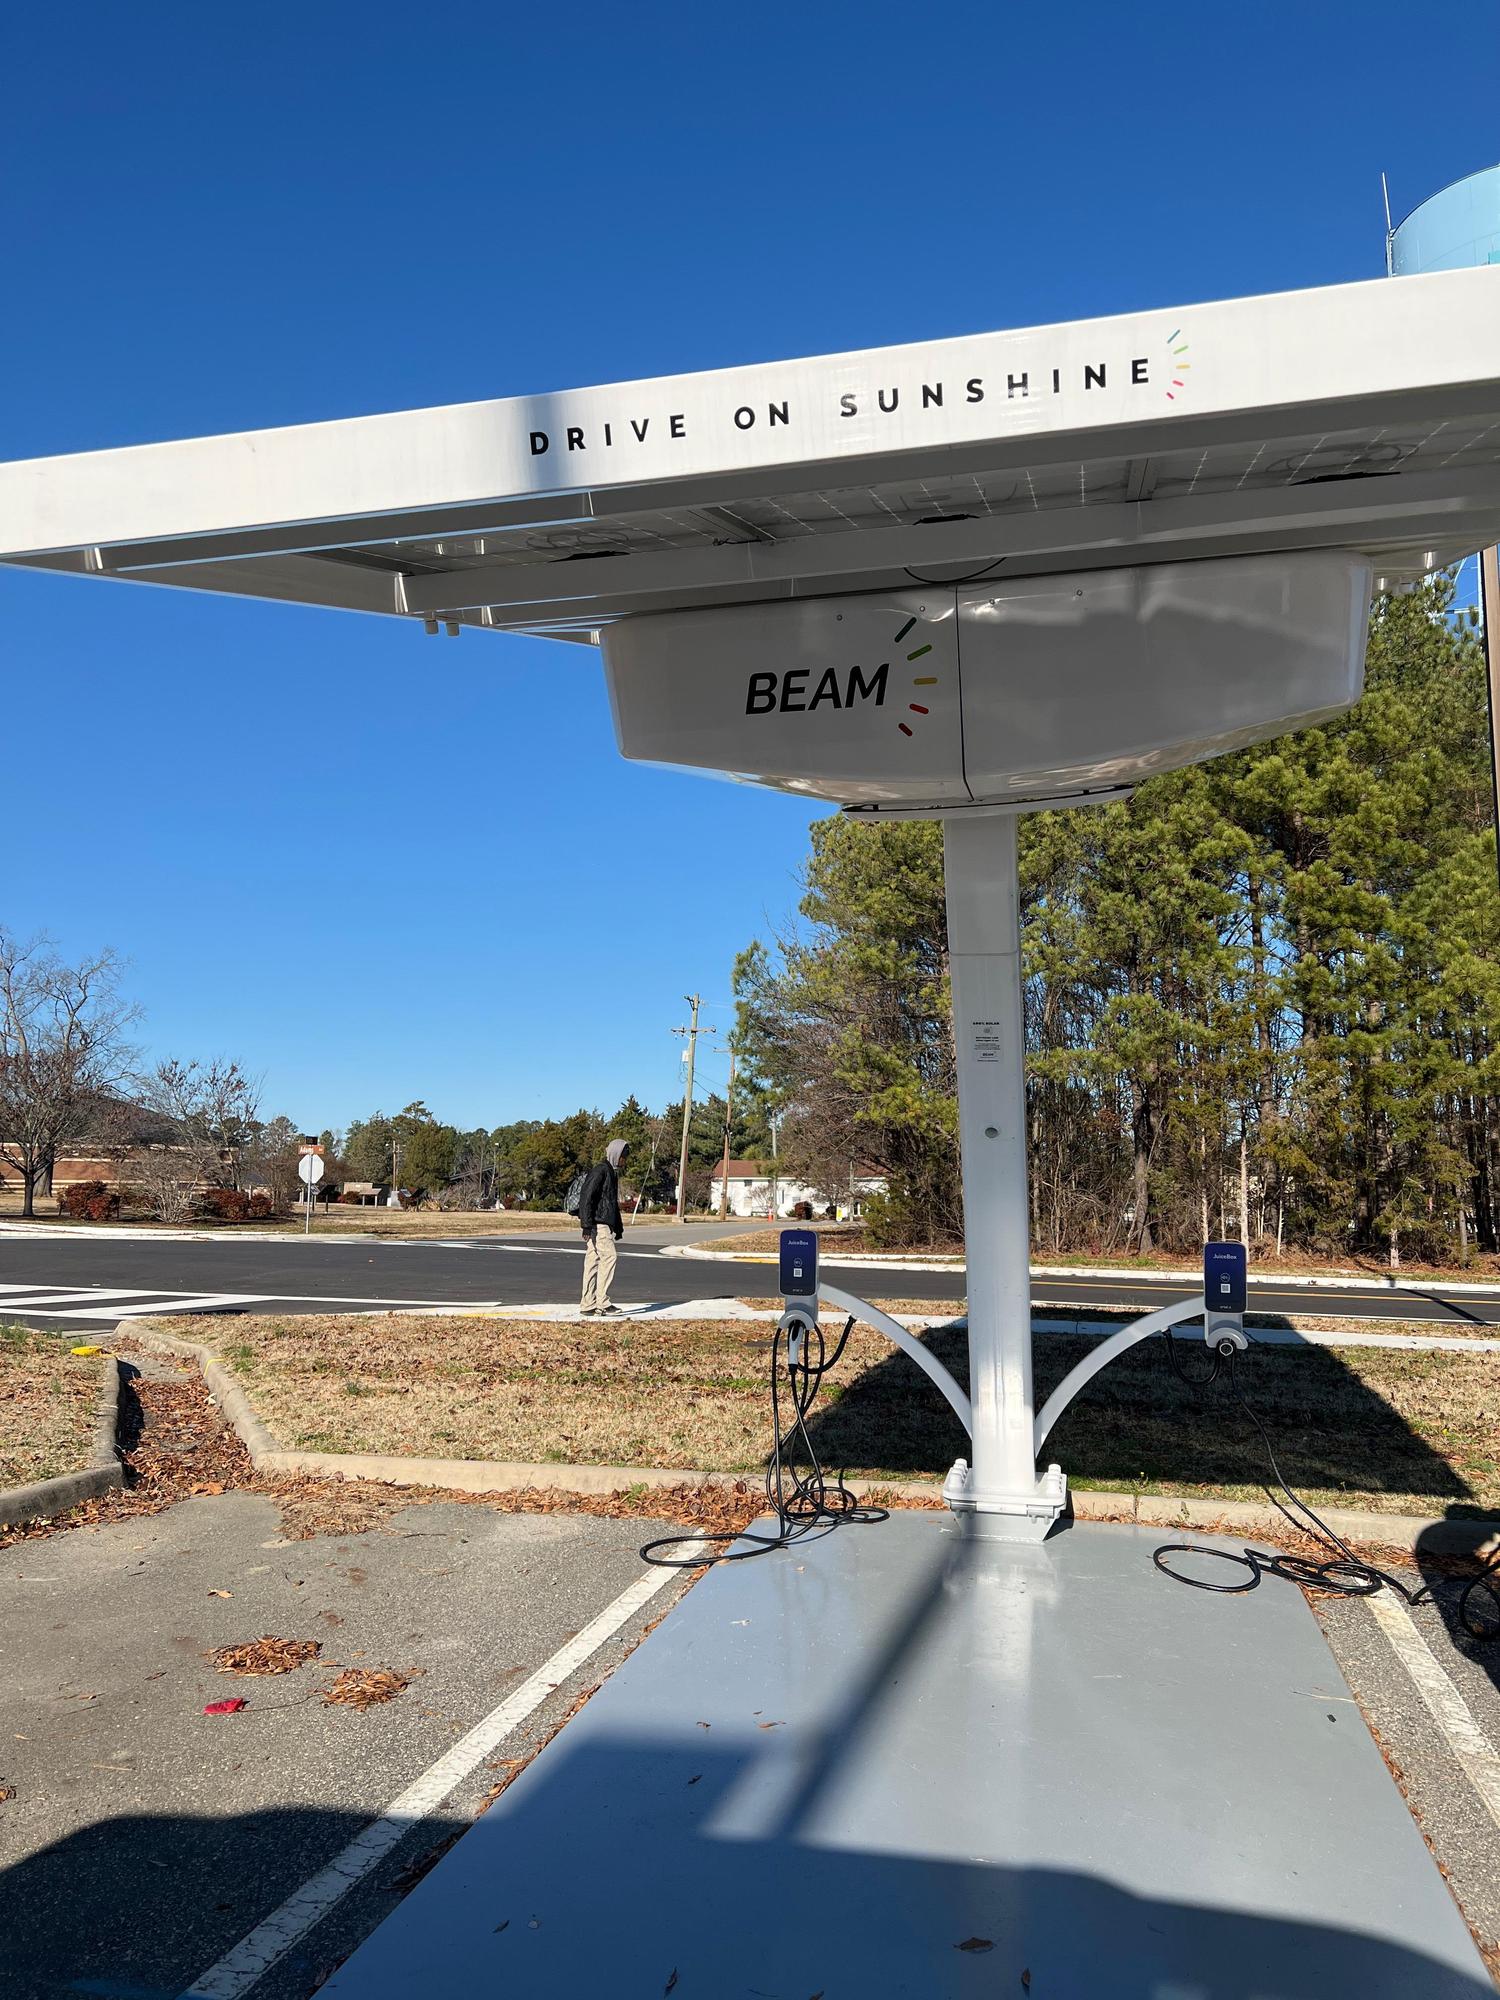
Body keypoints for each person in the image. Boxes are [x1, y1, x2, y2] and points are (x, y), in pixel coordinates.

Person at [579, 1138, 628, 1317]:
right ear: (616, 1155)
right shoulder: (601, 1170)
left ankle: (588, 1304)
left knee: (593, 1263)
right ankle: (603, 1303)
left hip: (599, 1224)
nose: (625, 1160)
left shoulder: (610, 1173)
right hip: (598, 1225)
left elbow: (611, 1204)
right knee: (609, 1258)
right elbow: (586, 1196)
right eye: (624, 1156)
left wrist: (619, 1227)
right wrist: (586, 1225)